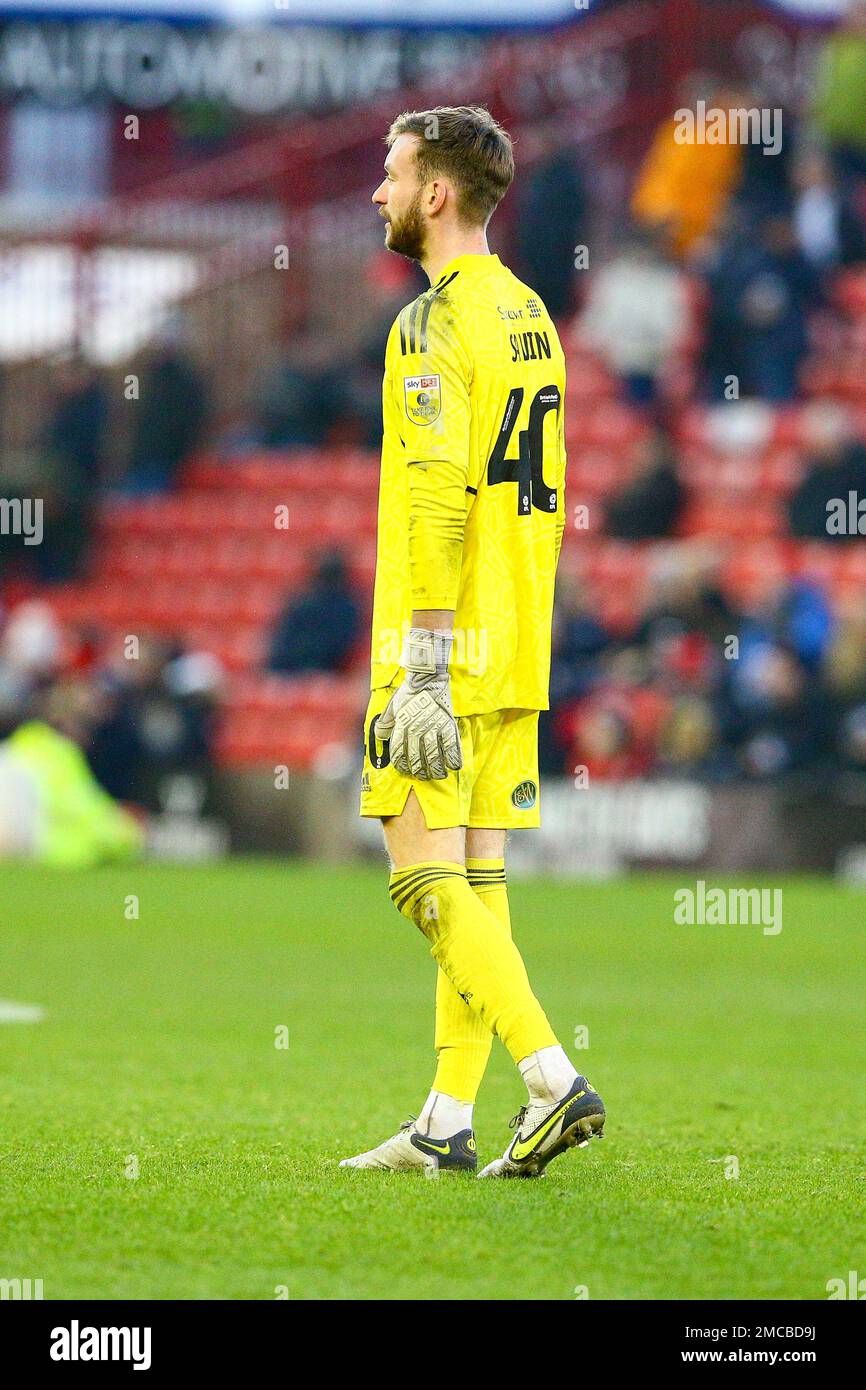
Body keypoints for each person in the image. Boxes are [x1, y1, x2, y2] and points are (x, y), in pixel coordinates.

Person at [342, 105, 605, 1180]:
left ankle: (550, 1080)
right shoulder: (531, 314)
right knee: (476, 878)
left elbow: (441, 501)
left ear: (434, 194)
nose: (378, 192)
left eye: (391, 173)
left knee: (418, 874)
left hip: (442, 643)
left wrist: (423, 668)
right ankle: (446, 1118)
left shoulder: (429, 325)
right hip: (518, 634)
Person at [267, 551, 360, 674]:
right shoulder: (302, 602)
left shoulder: (346, 606)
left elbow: (342, 645)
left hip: (327, 671)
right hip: (292, 670)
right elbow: (284, 643)